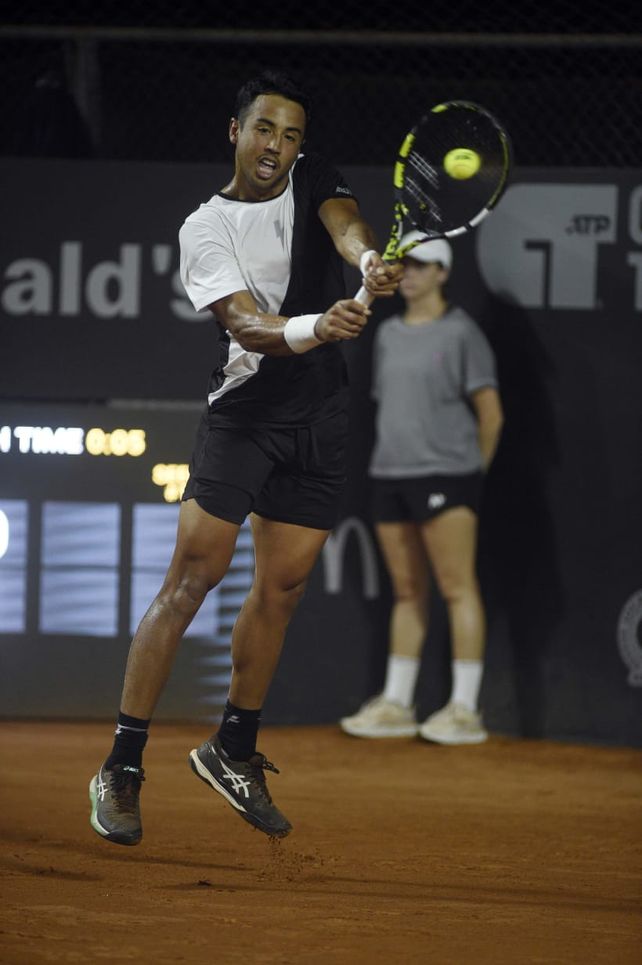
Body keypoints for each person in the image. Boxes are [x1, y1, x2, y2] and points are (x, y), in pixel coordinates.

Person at [88, 70, 401, 845]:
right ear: (236, 131)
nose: (278, 148)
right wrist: (316, 326)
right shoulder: (206, 228)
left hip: (320, 416)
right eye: (266, 130)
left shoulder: (315, 179)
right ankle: (122, 763)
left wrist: (366, 264)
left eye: (291, 135)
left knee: (284, 584)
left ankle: (233, 745)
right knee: (193, 575)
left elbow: (348, 227)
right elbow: (246, 325)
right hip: (248, 416)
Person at [340, 232, 503, 745]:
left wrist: (470, 474)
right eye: (401, 265)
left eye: (419, 265)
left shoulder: (462, 333)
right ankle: (397, 703)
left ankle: (463, 708)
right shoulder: (386, 334)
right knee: (407, 592)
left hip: (447, 477)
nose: (407, 273)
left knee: (457, 589)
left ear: (442, 273)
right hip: (390, 474)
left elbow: (491, 415)